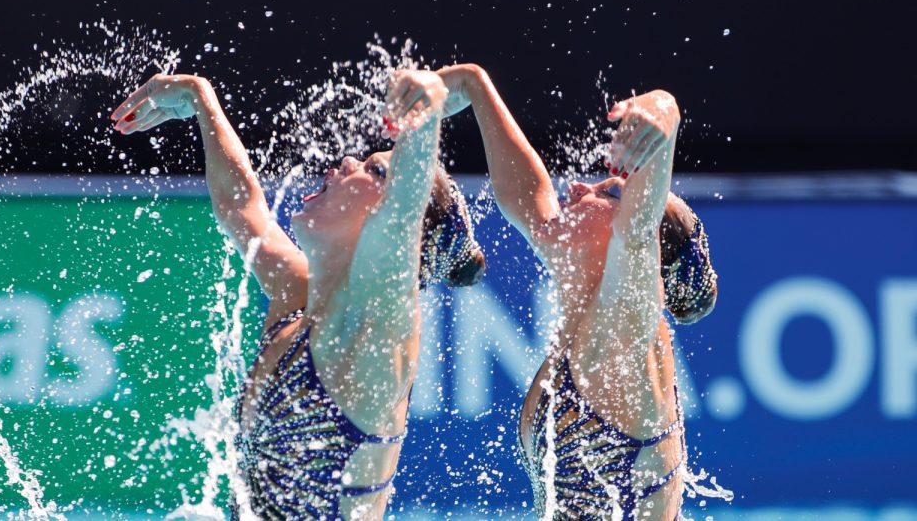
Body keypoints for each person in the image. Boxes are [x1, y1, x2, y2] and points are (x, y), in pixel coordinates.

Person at [111, 69, 485, 520]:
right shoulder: (297, 297)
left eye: (376, 170)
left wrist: (424, 120)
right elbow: (240, 206)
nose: (347, 161)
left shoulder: (375, 332)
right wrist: (201, 99)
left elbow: (405, 212)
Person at [437, 63, 718, 520]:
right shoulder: (592, 318)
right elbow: (528, 197)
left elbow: (639, 227)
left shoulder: (626, 333)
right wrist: (474, 86)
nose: (581, 185)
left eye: (608, 192)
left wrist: (663, 112)